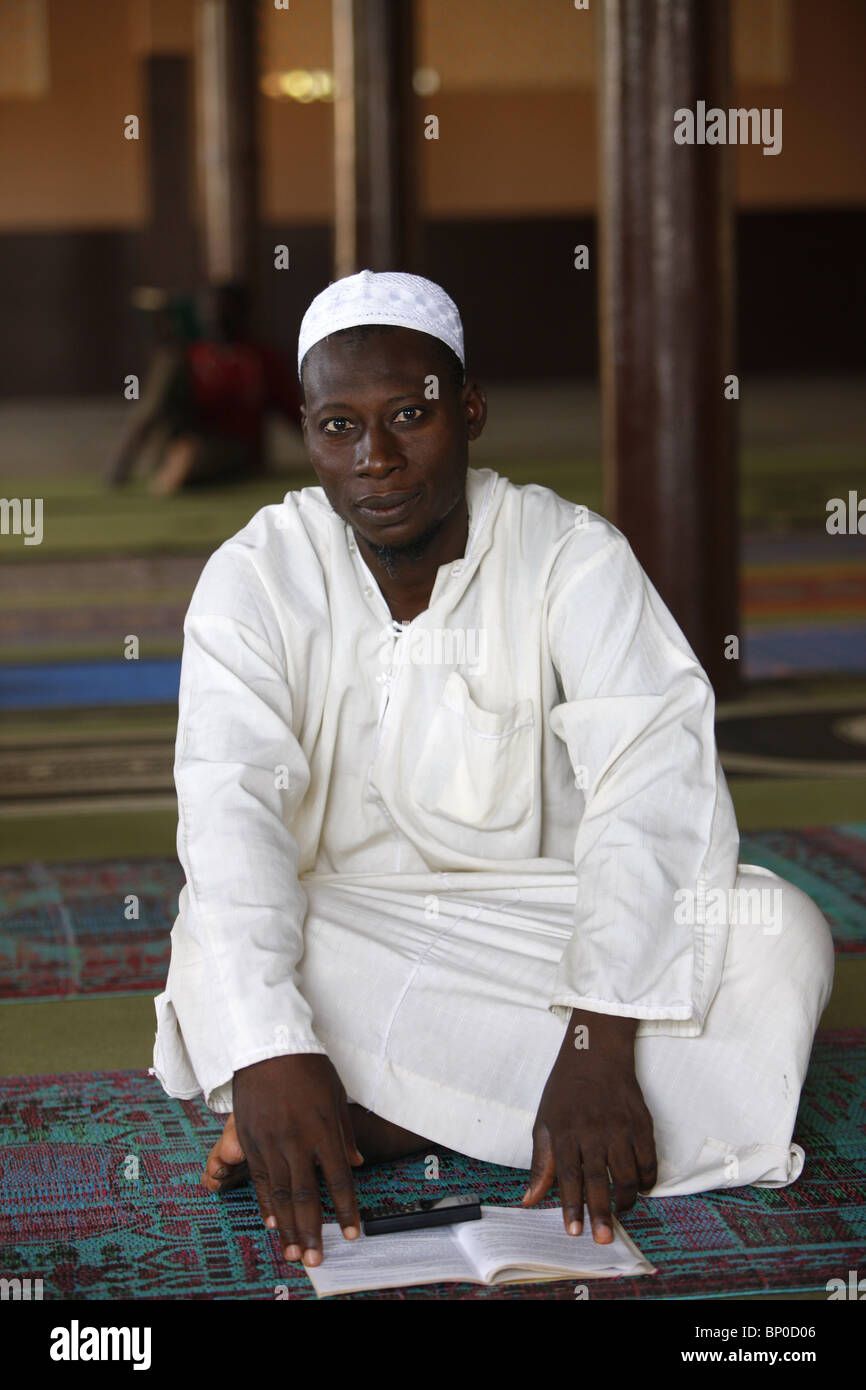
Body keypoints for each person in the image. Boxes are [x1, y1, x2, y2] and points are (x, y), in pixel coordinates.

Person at [151, 270, 834, 1271]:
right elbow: (228, 809)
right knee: (220, 931)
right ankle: (349, 1093)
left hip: (546, 929)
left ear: (468, 410)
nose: (374, 460)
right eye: (338, 427)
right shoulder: (255, 574)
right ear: (304, 432)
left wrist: (599, 1040)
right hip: (347, 928)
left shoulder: (570, 557)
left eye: (410, 416)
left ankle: (396, 1121)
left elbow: (656, 789)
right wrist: (271, 1048)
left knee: (777, 936)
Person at [107, 282, 302, 494]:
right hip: (186, 441)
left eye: (224, 313)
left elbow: (292, 410)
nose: (215, 320)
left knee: (210, 455)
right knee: (169, 371)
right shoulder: (184, 359)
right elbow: (149, 413)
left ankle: (186, 463)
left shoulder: (262, 360)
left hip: (239, 451)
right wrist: (121, 467)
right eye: (209, 313)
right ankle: (177, 461)